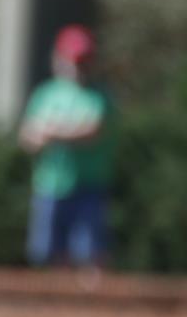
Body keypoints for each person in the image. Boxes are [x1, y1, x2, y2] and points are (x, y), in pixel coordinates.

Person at [18, 24, 117, 268]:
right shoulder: (45, 94)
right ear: (59, 59)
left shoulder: (99, 96)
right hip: (50, 186)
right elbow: (28, 137)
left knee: (91, 254)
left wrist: (52, 131)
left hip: (89, 186)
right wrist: (47, 135)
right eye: (74, 60)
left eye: (84, 60)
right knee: (48, 255)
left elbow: (91, 131)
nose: (79, 67)